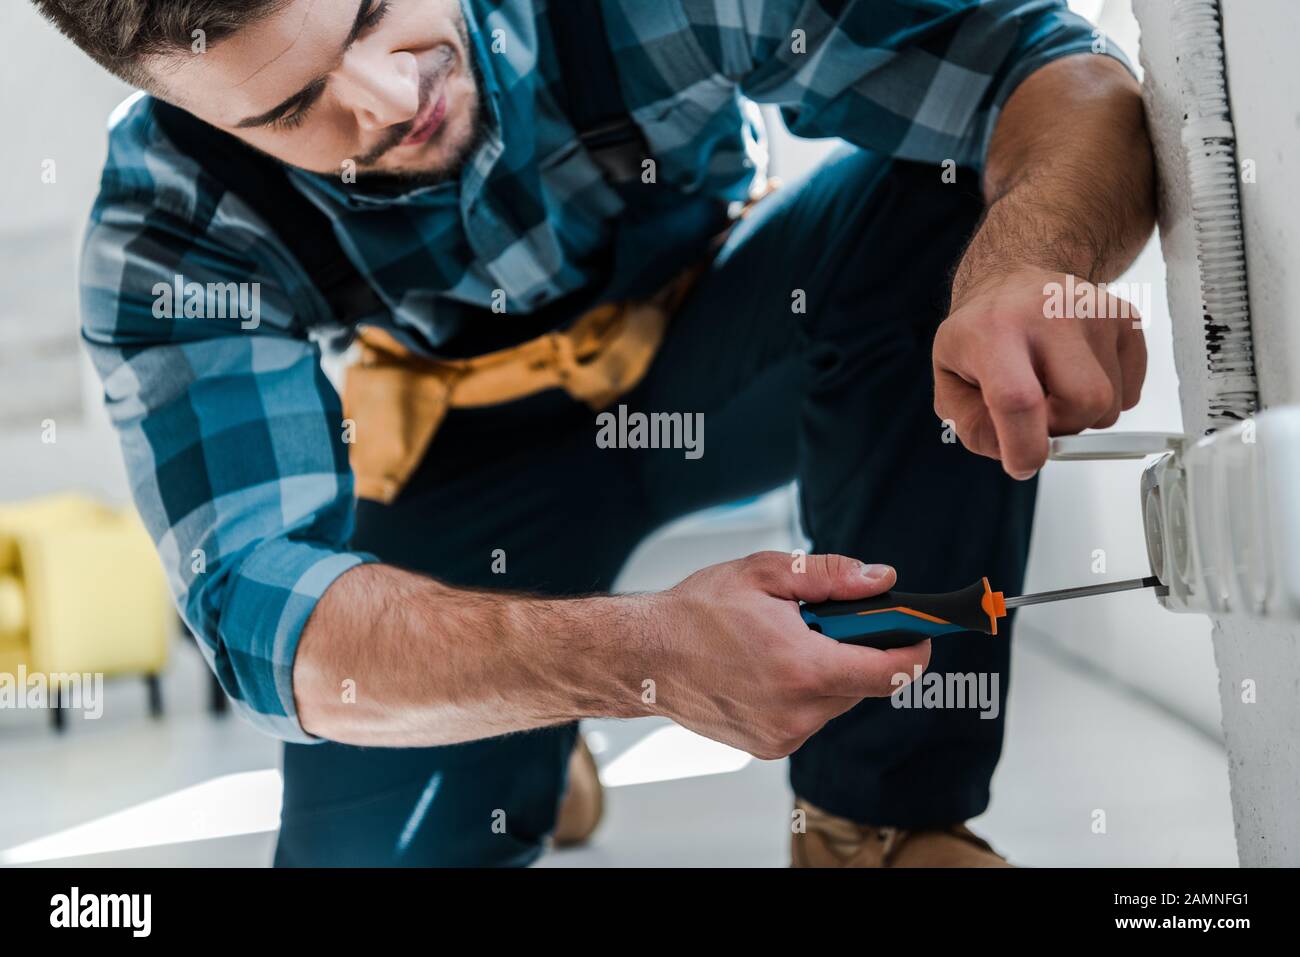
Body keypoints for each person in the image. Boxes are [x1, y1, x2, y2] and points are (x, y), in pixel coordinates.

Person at [35, 0, 1154, 866]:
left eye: (374, 9)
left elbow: (1044, 67)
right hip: (467, 466)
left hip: (728, 364)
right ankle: (530, 722)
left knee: (942, 202)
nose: (384, 96)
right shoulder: (166, 233)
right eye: (290, 110)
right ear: (184, 111)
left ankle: (877, 826)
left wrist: (1029, 267)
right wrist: (634, 663)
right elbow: (259, 604)